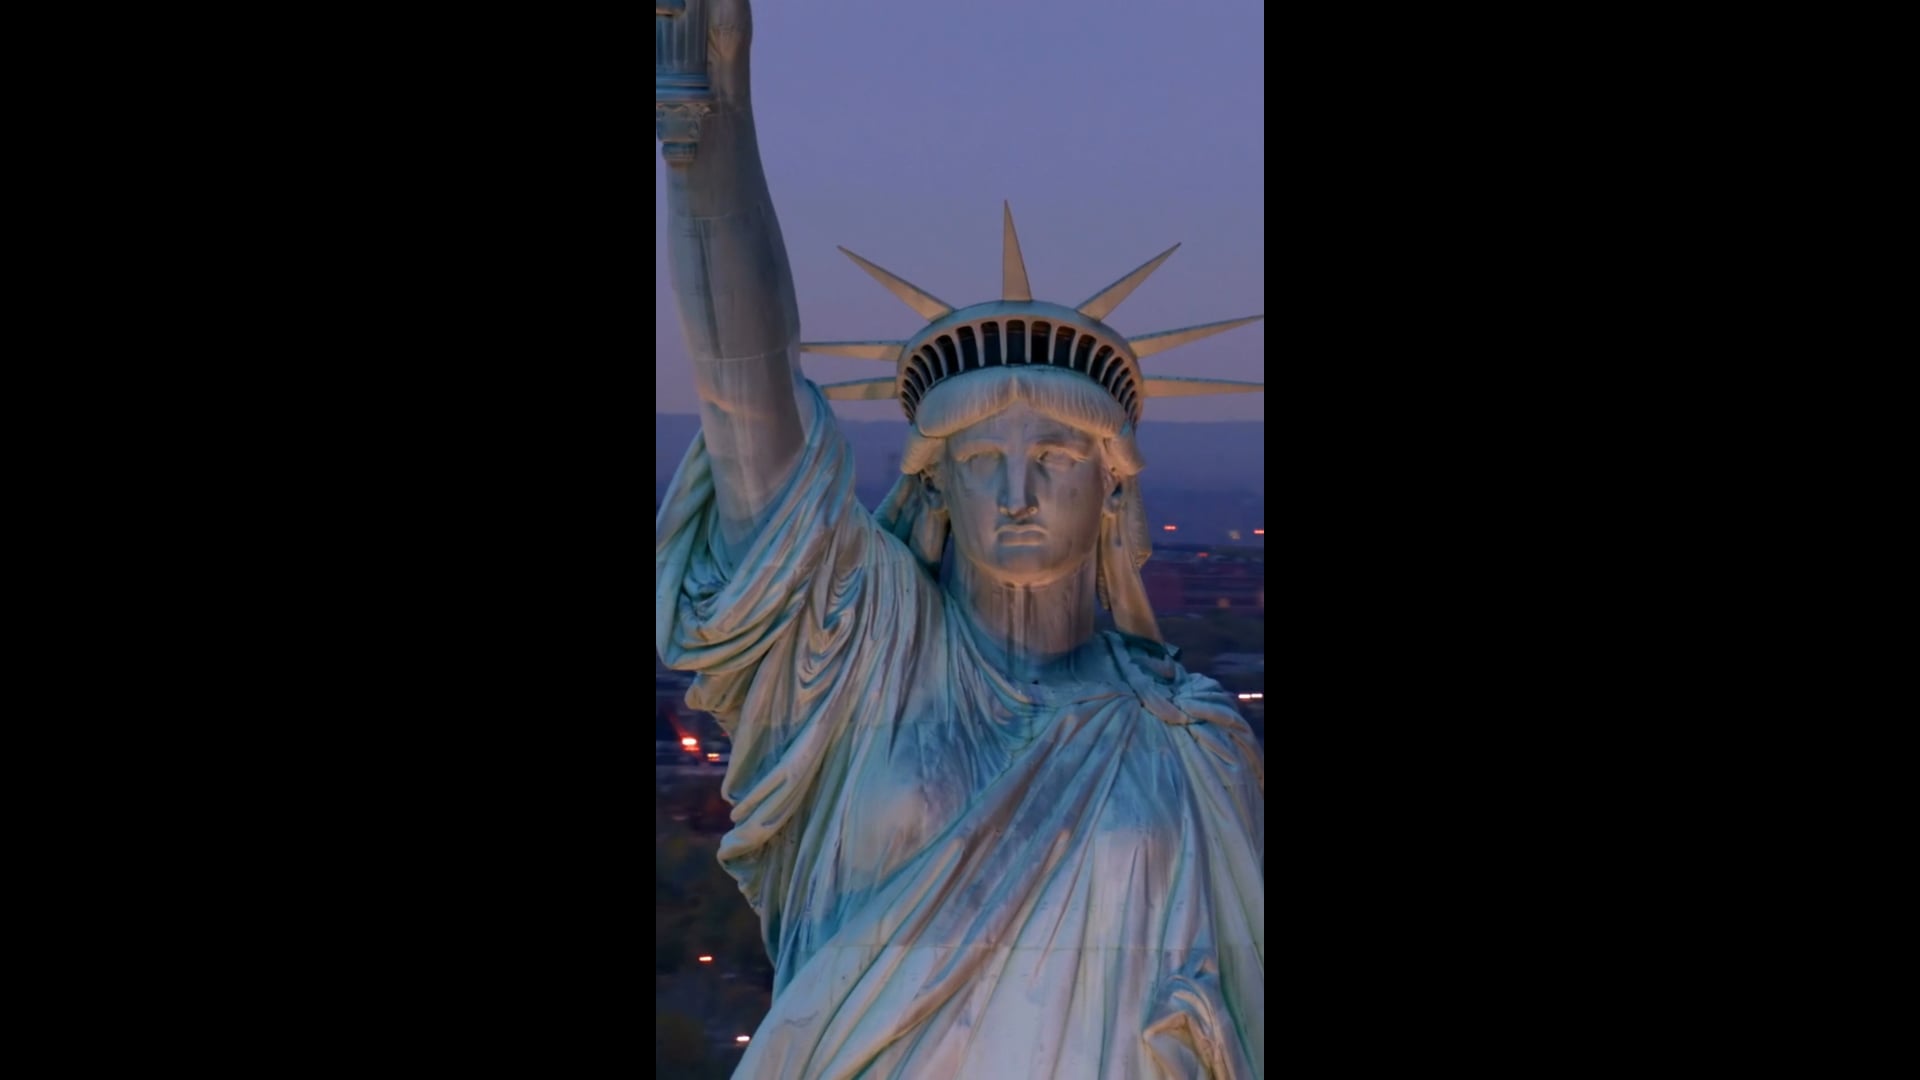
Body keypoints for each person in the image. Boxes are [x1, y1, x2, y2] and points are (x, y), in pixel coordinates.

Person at [654, 2, 1264, 1075]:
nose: (1017, 490)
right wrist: (713, 137)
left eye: (1056, 458)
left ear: (1113, 492)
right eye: (981, 459)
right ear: (936, 486)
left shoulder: (1190, 739)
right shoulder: (865, 656)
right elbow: (749, 401)